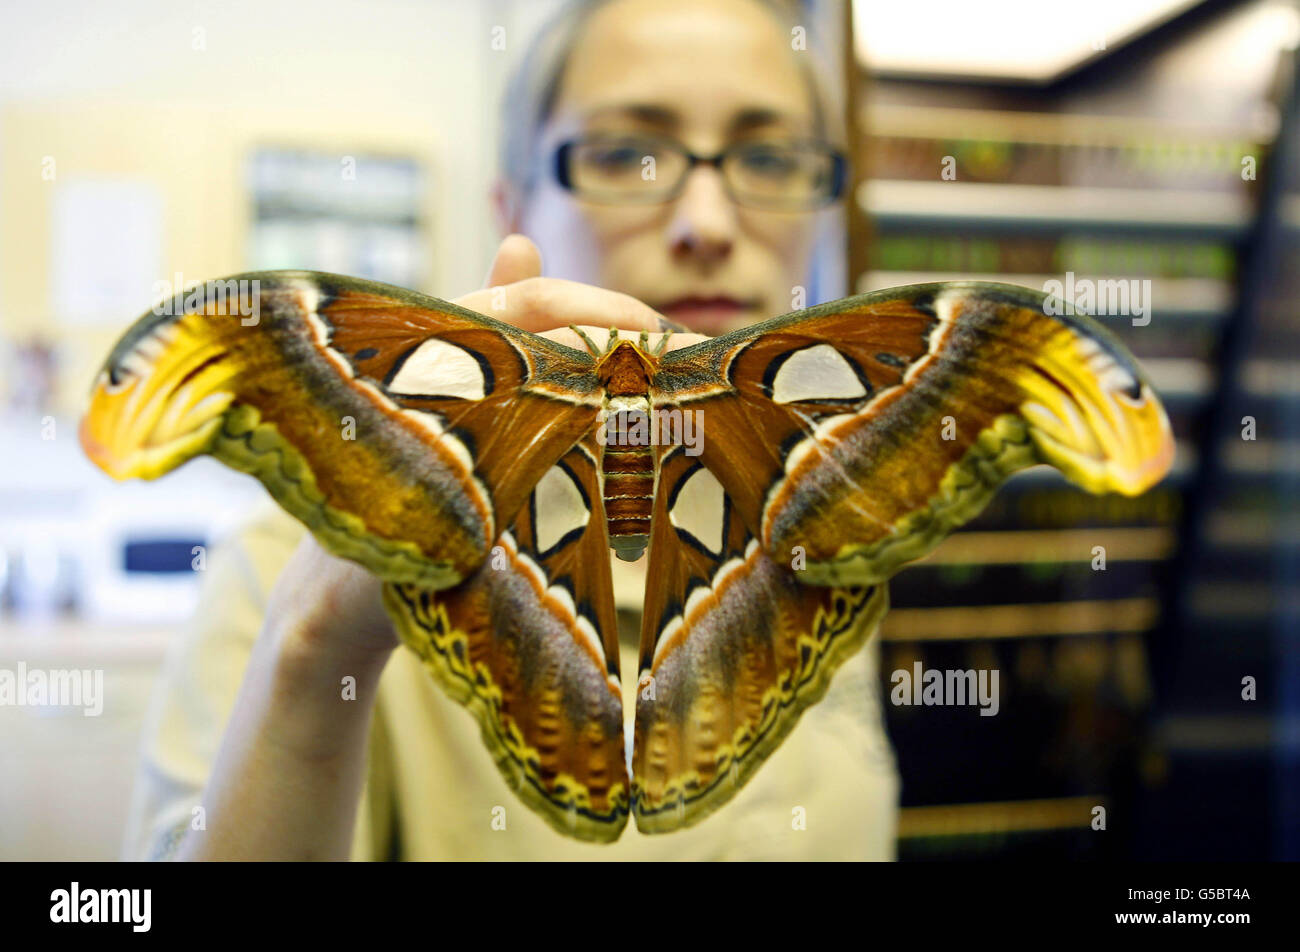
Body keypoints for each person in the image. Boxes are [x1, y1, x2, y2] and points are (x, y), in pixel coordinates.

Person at [122, 0, 900, 861]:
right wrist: (306, 658)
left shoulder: (830, 520)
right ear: (512, 207)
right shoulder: (287, 584)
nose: (708, 224)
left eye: (770, 156)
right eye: (627, 154)